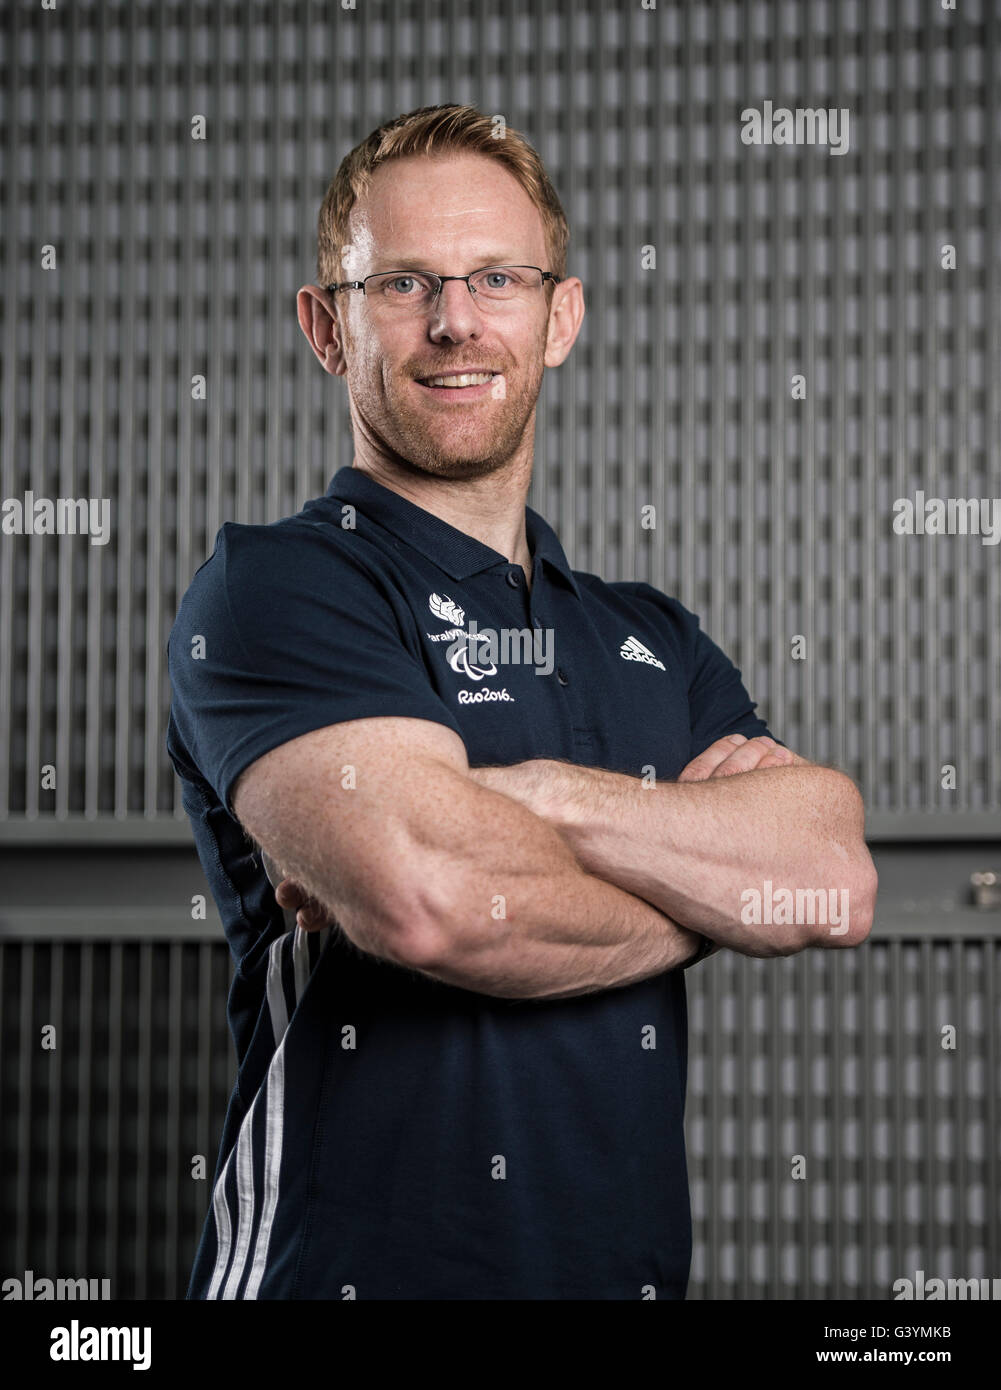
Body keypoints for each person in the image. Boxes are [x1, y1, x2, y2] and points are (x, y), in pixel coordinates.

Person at [166, 103, 877, 1301]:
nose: (455, 322)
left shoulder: (648, 633)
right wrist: (703, 893)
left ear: (561, 318)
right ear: (324, 326)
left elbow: (829, 875)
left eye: (497, 277)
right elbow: (431, 899)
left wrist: (526, 795)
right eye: (402, 283)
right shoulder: (276, 586)